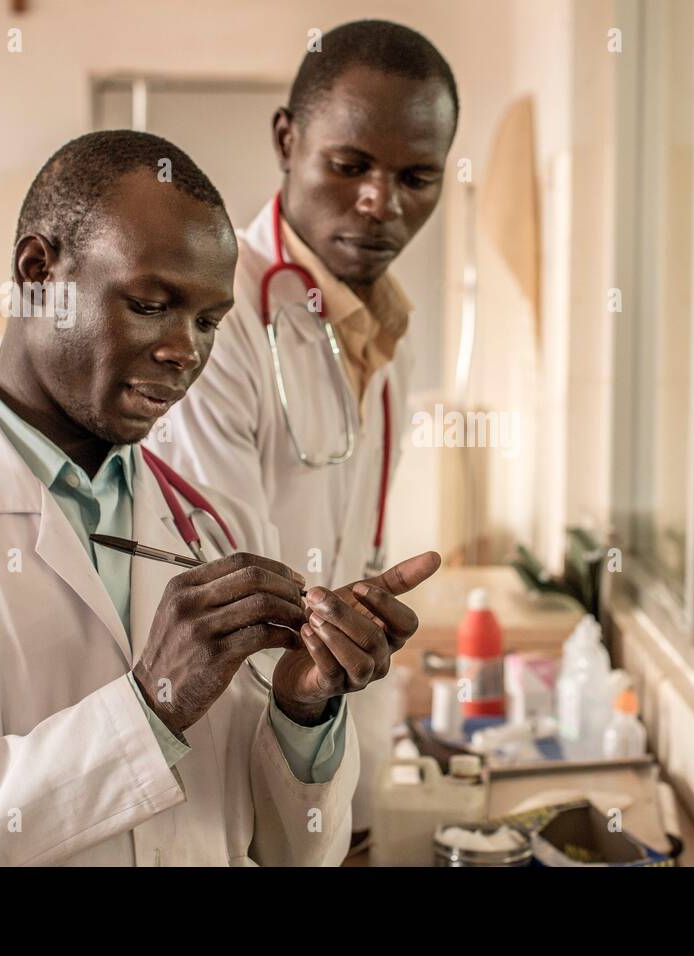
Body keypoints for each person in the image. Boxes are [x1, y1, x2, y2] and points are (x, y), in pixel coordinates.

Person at [0, 130, 439, 866]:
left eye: (209, 321)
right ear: (37, 269)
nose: (186, 351)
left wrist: (303, 713)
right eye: (150, 303)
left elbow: (290, 853)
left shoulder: (216, 526)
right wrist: (150, 708)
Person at [155, 19, 458, 847]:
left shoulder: (384, 325)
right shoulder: (217, 317)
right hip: (228, 767)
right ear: (288, 139)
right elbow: (226, 589)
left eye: (417, 176)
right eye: (350, 165)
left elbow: (355, 560)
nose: (381, 203)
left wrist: (347, 810)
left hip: (330, 742)